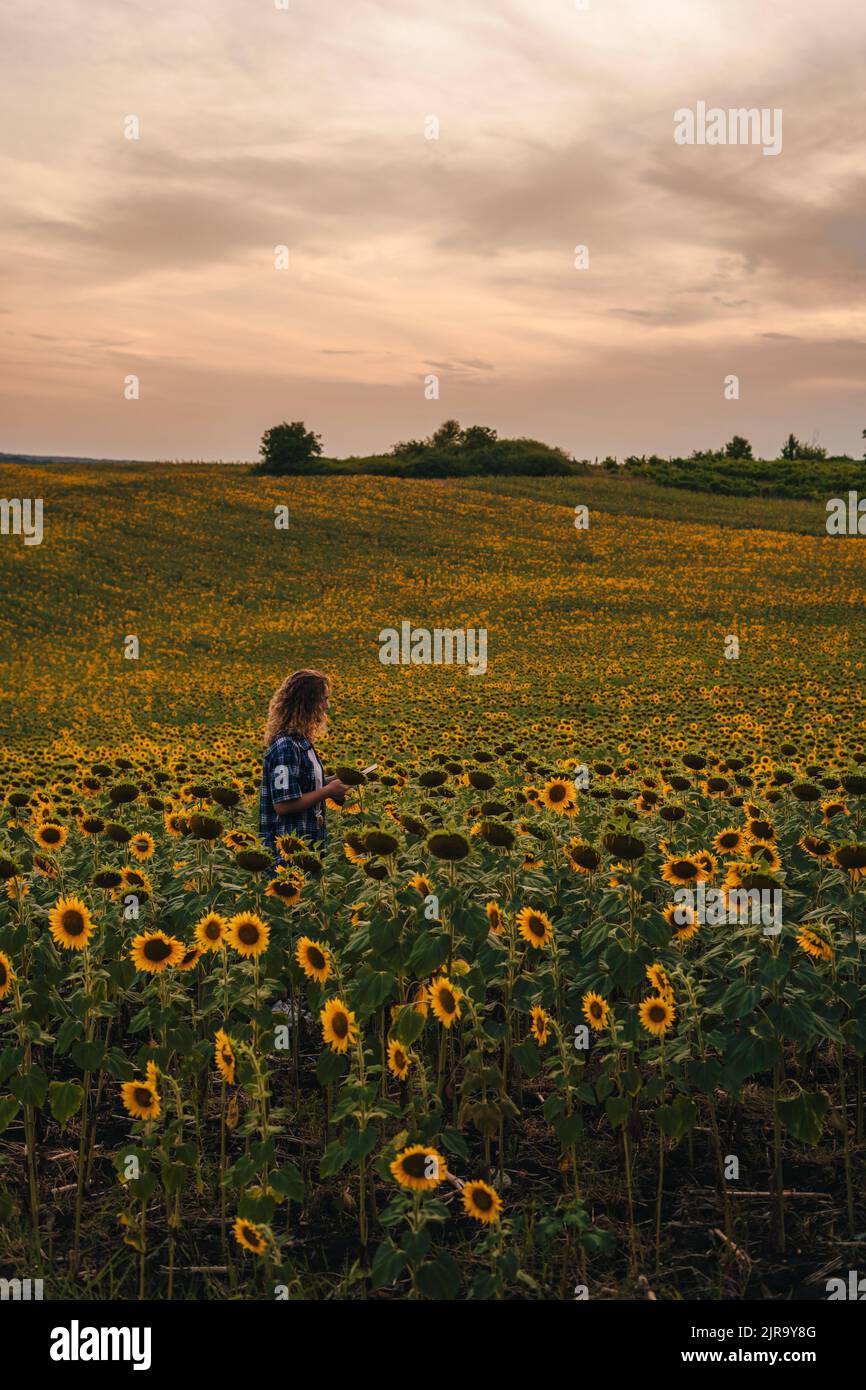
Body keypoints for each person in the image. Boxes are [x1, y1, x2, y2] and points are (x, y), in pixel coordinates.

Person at [259, 669, 347, 860]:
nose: (327, 705)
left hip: (307, 846)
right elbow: (283, 803)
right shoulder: (286, 746)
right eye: (323, 699)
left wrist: (336, 780)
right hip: (287, 853)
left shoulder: (301, 742)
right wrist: (328, 791)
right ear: (307, 703)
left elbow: (303, 785)